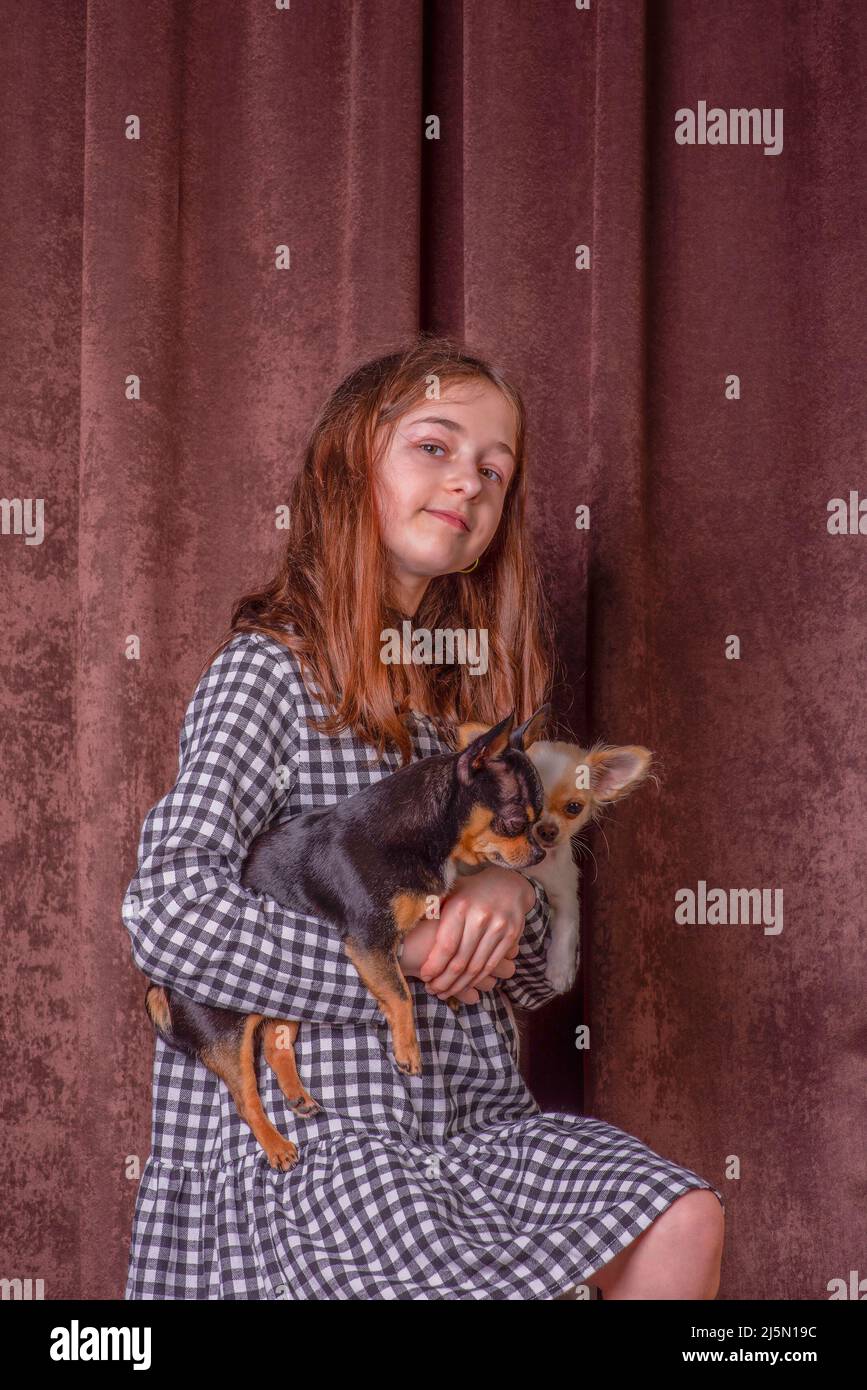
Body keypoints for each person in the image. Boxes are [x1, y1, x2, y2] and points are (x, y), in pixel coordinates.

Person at [123, 335, 725, 1300]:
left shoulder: (469, 715)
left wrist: (505, 890)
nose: (470, 483)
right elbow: (166, 910)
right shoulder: (269, 677)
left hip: (464, 1127)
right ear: (347, 463)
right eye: (435, 447)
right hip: (327, 1147)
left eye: (496, 468)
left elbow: (528, 979)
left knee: (680, 1214)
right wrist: (388, 956)